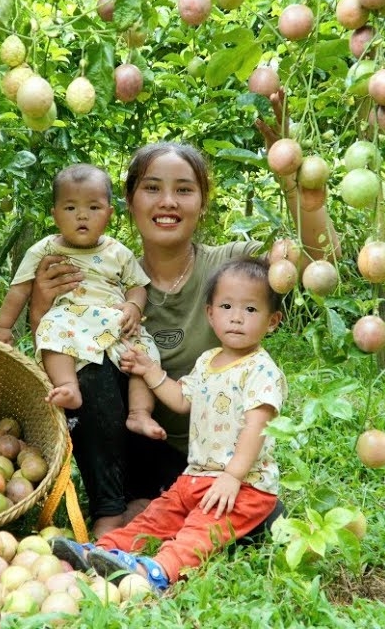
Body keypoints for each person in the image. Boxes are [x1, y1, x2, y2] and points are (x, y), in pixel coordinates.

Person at [30, 128, 338, 535]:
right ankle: (116, 503)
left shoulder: (231, 269)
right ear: (129, 202)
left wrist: (299, 188)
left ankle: (160, 504)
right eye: (153, 188)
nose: (168, 202)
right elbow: (54, 345)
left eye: (184, 190)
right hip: (131, 447)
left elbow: (316, 258)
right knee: (89, 368)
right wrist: (39, 303)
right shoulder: (104, 276)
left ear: (203, 204)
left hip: (213, 454)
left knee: (262, 525)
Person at [49, 257, 288, 590]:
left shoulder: (261, 370)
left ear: (272, 321)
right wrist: (151, 372)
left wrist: (233, 476)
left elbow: (256, 426)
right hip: (195, 477)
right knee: (156, 516)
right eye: (227, 306)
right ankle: (101, 552)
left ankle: (158, 571)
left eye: (250, 310)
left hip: (243, 485)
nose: (236, 317)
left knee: (201, 529)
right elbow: (180, 399)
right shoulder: (207, 361)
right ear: (210, 313)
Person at [0, 163, 168, 427]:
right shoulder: (44, 250)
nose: (82, 216)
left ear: (109, 214)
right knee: (52, 331)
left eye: (93, 208)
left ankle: (139, 413)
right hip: (70, 318)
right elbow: (20, 289)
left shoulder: (117, 251)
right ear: (55, 215)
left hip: (114, 320)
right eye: (71, 208)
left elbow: (137, 285)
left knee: (144, 352)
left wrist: (133, 305)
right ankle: (68, 386)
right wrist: (3, 327)